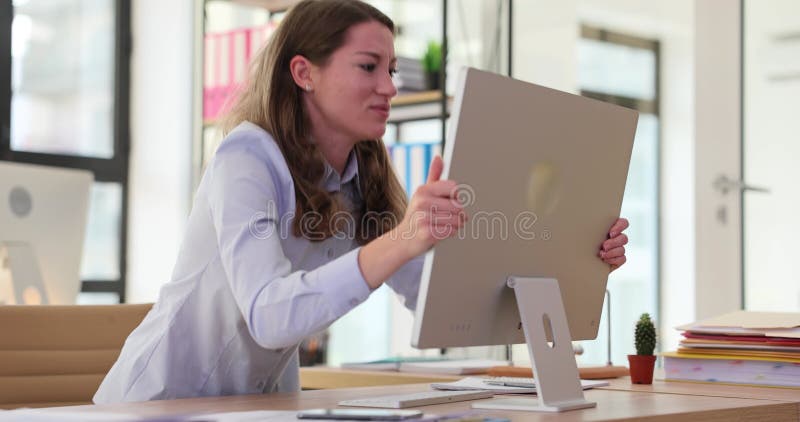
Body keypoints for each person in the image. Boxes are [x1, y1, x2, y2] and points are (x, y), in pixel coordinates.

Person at [94, 0, 629, 403]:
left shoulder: (361, 174)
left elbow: (441, 299)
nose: (389, 87)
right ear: (304, 73)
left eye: (391, 70)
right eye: (368, 66)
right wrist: (400, 241)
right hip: (153, 405)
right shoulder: (246, 157)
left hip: (250, 409)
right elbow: (269, 314)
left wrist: (576, 252)